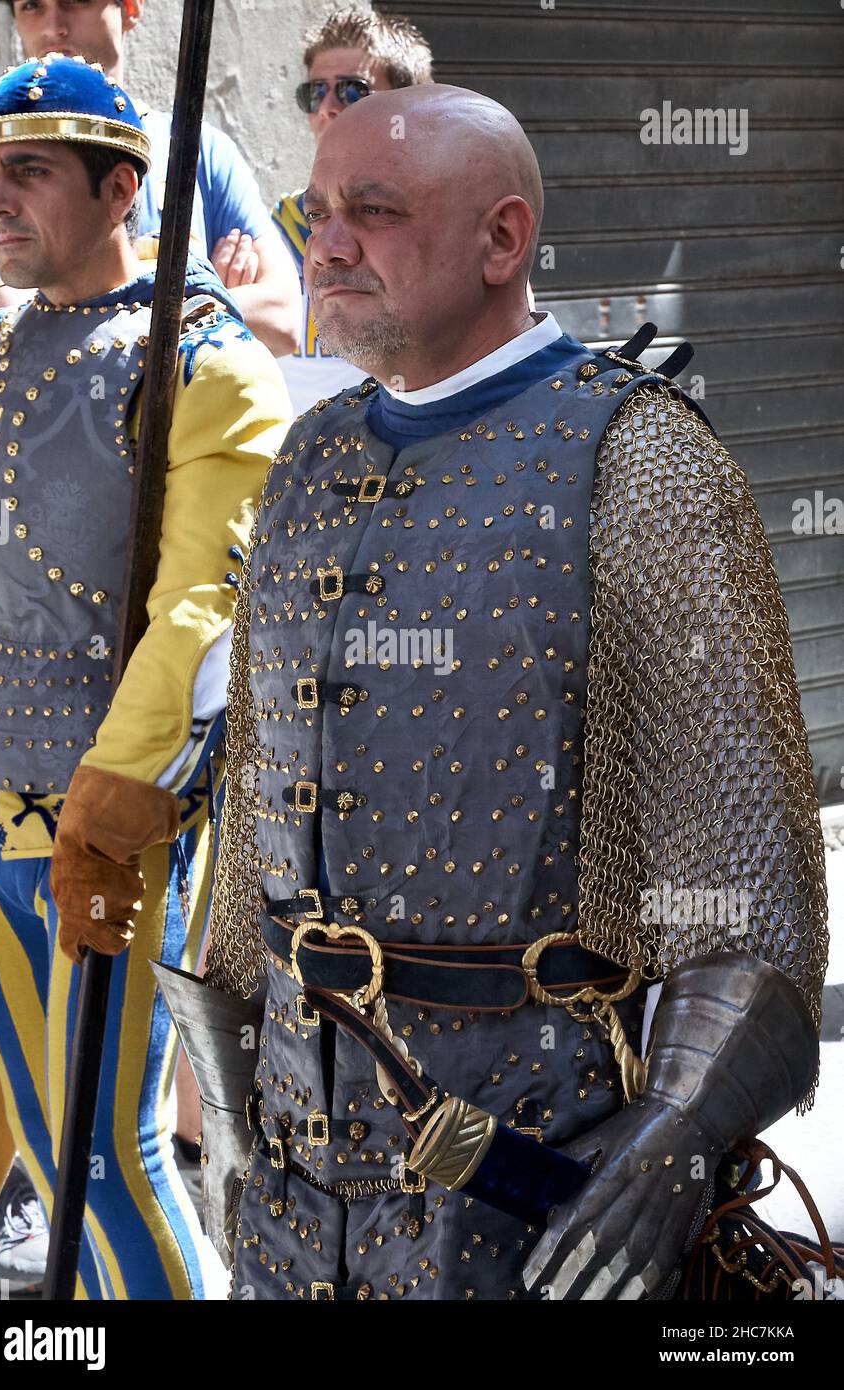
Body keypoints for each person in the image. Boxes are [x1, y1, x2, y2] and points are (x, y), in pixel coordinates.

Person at [199, 83, 828, 1301]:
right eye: (313, 208)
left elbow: (743, 905)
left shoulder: (636, 464)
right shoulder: (310, 458)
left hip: (522, 1185)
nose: (324, 243)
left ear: (502, 240)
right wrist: (229, 1108)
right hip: (291, 1178)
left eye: (372, 210)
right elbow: (249, 856)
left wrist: (677, 1143)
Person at [0, 54, 291, 1298]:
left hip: (109, 813)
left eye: (29, 171)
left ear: (120, 187)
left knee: (109, 1148)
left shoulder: (202, 361)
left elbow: (206, 609)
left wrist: (115, 797)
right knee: (48, 1151)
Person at [0, 0, 301, 358]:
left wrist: (93, 312)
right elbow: (13, 336)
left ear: (131, 8)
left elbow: (283, 319)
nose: (53, 25)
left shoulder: (202, 148)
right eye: (32, 6)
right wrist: (205, 299)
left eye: (76, 2)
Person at [272, 8, 432, 414]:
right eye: (314, 92)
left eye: (351, 90)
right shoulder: (273, 228)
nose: (327, 107)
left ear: (407, 104)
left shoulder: (448, 219)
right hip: (302, 465)